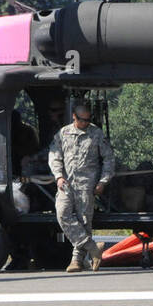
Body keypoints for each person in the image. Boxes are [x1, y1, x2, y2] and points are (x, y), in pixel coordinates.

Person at [48, 101, 114, 272]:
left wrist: (103, 181)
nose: (85, 123)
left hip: (87, 185)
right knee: (62, 214)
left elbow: (108, 158)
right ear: (74, 117)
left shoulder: (96, 133)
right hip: (66, 184)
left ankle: (77, 260)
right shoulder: (63, 133)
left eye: (87, 120)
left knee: (84, 221)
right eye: (82, 120)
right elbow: (54, 156)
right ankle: (93, 248)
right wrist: (58, 176)